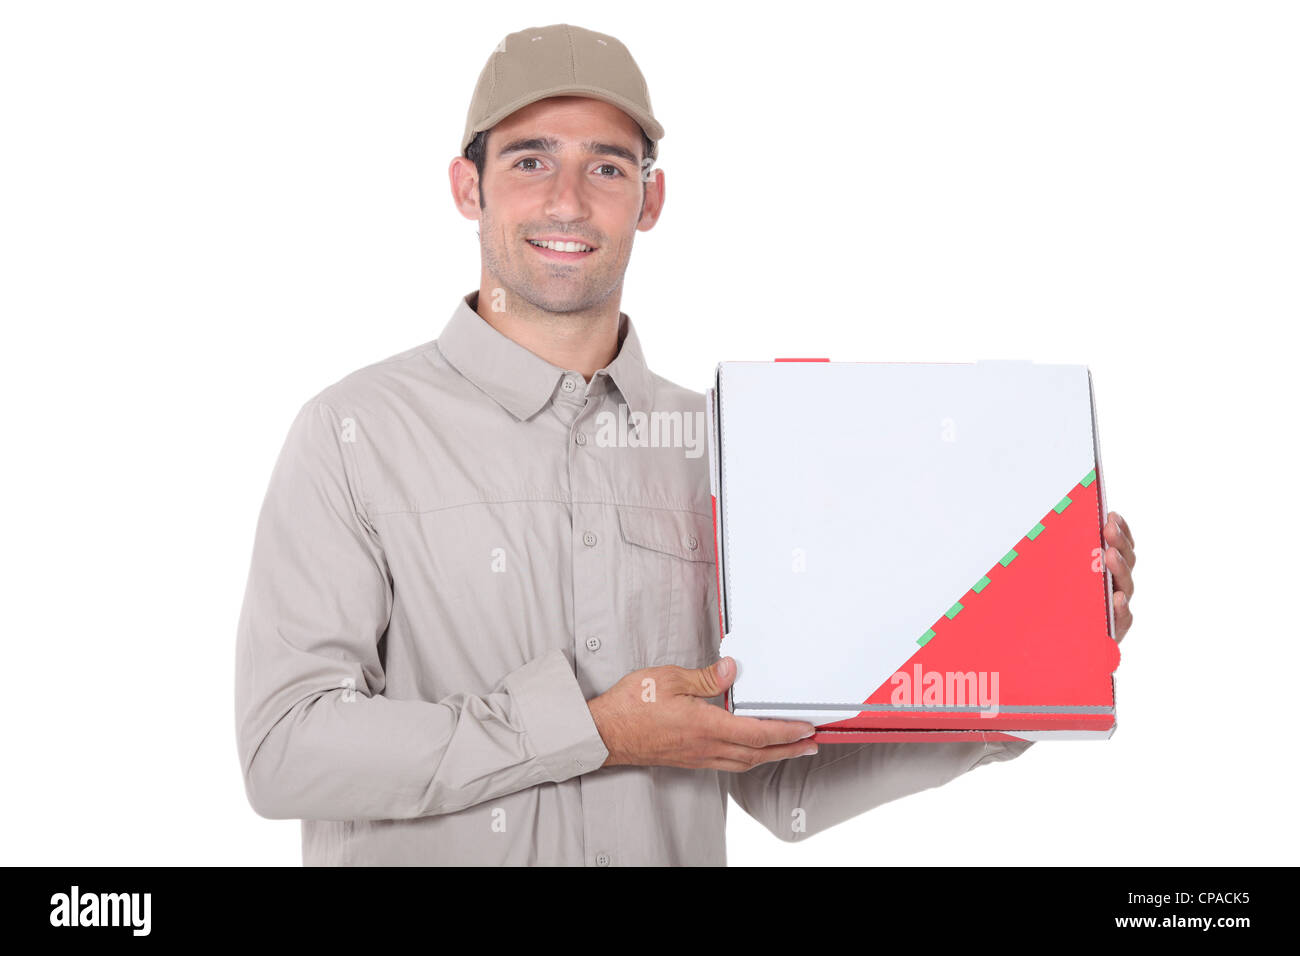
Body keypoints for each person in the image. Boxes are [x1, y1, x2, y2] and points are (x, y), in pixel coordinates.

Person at [233, 23, 1138, 866]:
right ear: (468, 187)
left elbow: (781, 779)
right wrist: (594, 729)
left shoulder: (727, 447)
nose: (567, 200)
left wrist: (1023, 680)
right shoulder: (354, 435)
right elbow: (285, 749)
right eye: (530, 159)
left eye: (608, 168)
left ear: (650, 197)